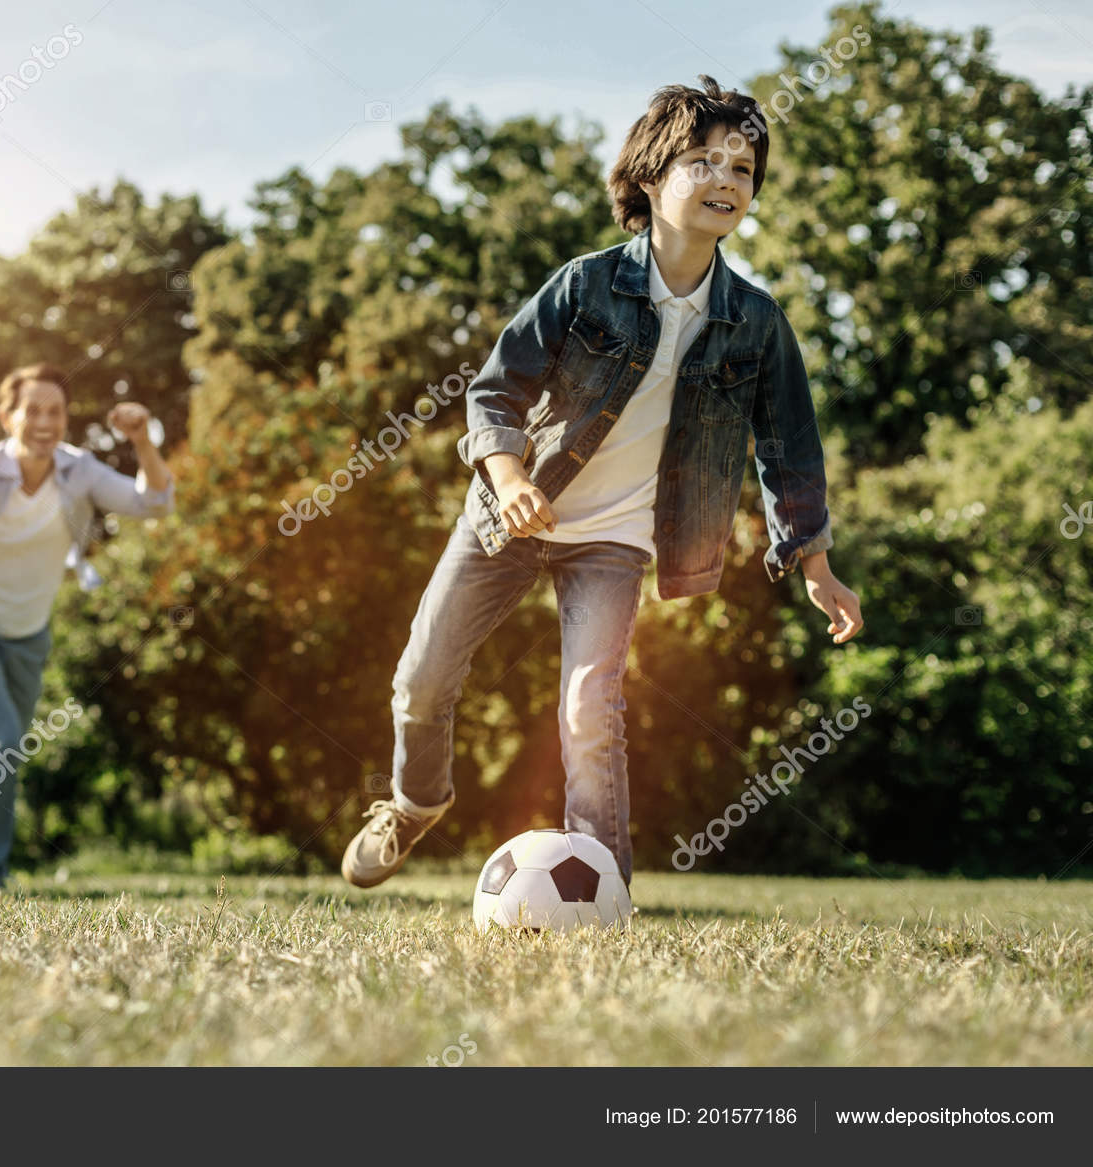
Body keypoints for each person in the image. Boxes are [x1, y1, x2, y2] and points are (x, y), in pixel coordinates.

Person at [341, 76, 866, 889]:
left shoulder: (758, 323)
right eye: (704, 161)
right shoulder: (584, 284)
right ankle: (415, 803)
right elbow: (494, 391)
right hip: (510, 516)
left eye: (743, 169)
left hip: (615, 541)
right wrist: (508, 476)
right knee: (422, 677)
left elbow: (789, 446)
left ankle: (603, 890)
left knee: (591, 710)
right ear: (651, 179)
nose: (727, 180)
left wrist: (816, 564)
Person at [0, 364, 175, 891]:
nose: (45, 422)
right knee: (1, 744)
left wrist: (142, 441)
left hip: (27, 634)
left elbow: (154, 503)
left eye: (55, 412)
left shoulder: (79, 470)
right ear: (7, 416)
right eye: (33, 411)